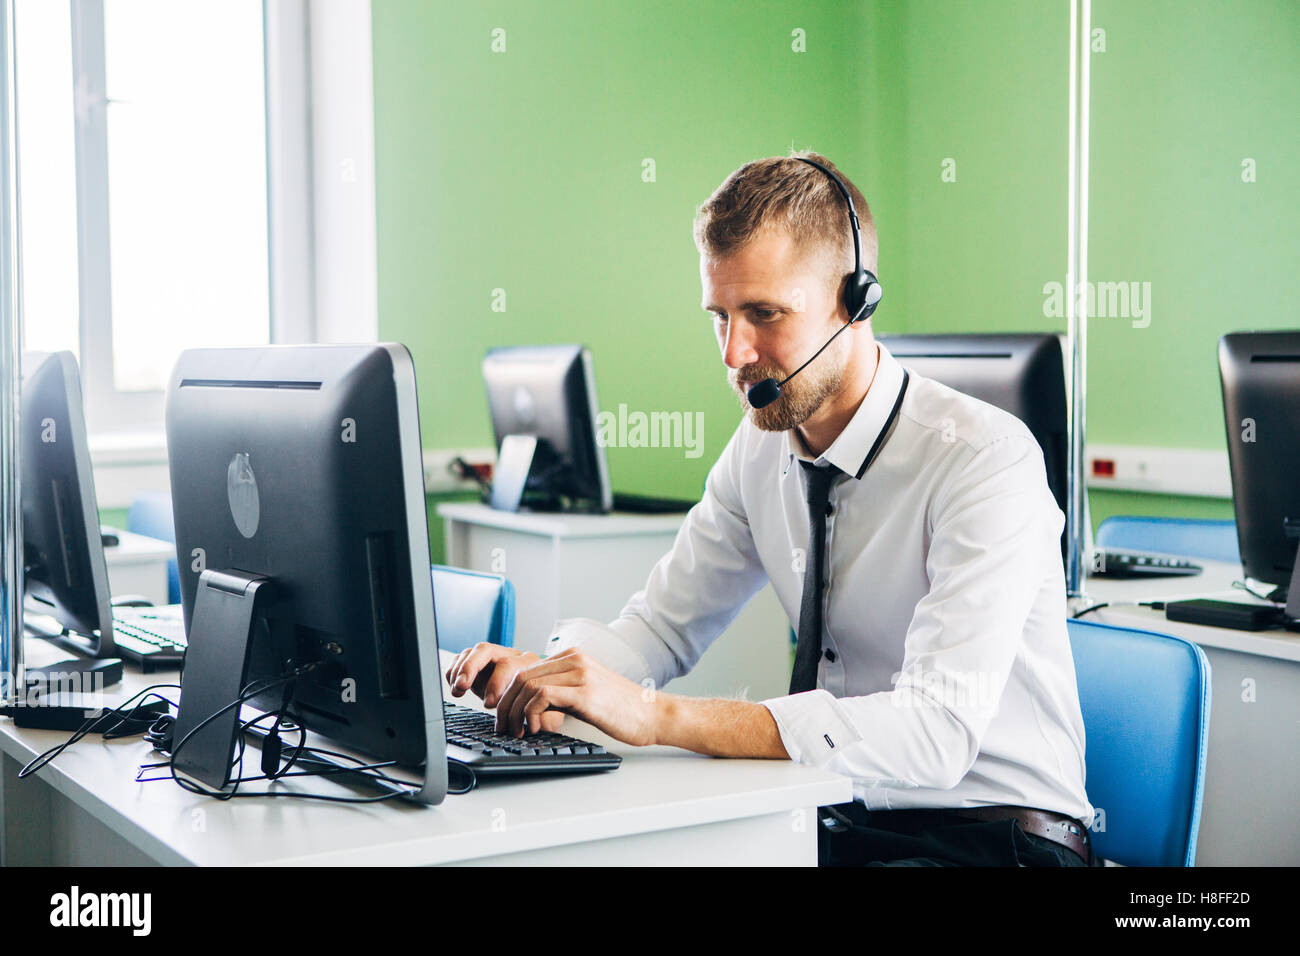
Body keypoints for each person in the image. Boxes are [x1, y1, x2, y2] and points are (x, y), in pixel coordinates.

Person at [446, 151, 1094, 866]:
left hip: (992, 837)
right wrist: (556, 677)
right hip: (832, 815)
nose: (734, 353)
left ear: (857, 301)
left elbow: (934, 731)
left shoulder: (983, 459)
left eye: (764, 314)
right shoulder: (762, 447)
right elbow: (659, 630)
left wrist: (657, 716)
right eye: (719, 316)